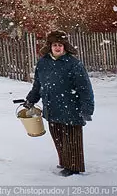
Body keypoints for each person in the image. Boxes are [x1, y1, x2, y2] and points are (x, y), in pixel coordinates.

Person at [24, 30, 94, 176]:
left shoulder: (74, 64)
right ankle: (64, 162)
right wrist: (31, 99)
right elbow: (38, 85)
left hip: (71, 108)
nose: (58, 48)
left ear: (65, 46)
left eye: (60, 45)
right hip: (51, 107)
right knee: (58, 137)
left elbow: (85, 88)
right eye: (55, 45)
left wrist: (87, 109)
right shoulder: (43, 63)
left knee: (72, 139)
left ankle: (73, 167)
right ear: (50, 46)